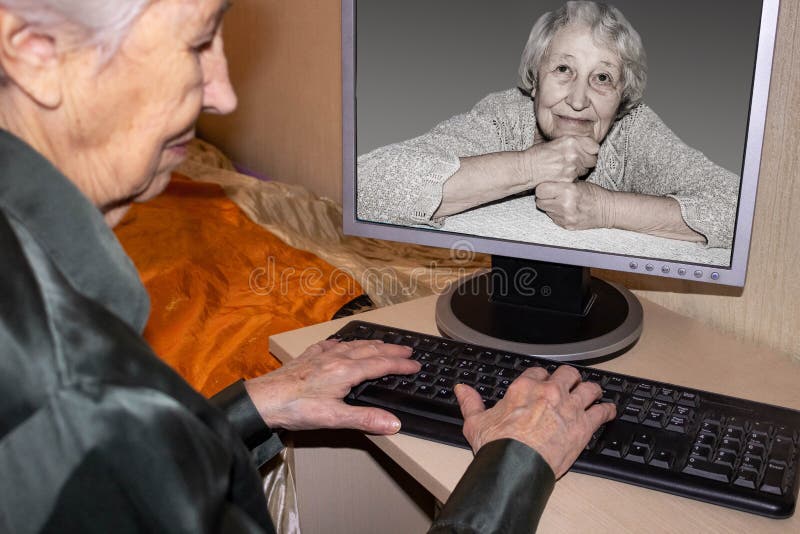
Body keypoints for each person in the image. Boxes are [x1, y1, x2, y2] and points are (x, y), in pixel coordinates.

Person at [0, 1, 615, 533]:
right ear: (34, 56)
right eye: (194, 44)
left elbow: (113, 487)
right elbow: (388, 181)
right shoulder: (62, 379)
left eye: (604, 78)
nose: (224, 93)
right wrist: (513, 466)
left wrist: (246, 407)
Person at [357, 1, 739, 249]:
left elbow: (739, 210)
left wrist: (606, 208)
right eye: (562, 69)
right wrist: (532, 164)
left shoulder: (634, 131)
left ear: (622, 95)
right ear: (535, 78)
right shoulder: (503, 117)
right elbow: (368, 185)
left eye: (602, 78)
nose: (577, 100)